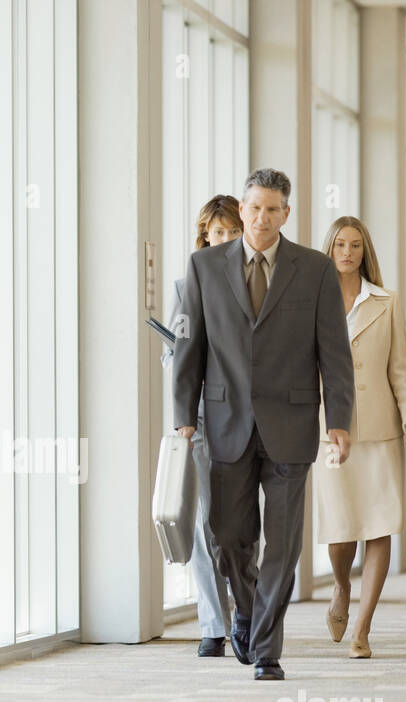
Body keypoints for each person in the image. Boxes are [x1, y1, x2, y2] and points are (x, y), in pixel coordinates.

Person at [172, 168, 354, 680]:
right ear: (243, 209)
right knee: (229, 537)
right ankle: (248, 614)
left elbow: (334, 353)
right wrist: (183, 417)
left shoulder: (314, 269)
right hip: (224, 422)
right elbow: (190, 348)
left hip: (291, 425)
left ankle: (268, 647)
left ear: (286, 214)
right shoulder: (204, 267)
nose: (261, 218)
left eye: (273, 209)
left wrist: (338, 419)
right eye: (254, 208)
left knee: (284, 541)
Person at [314, 217, 406, 659]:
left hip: (380, 429)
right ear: (330, 249)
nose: (347, 251)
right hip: (331, 431)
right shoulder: (312, 302)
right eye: (340, 244)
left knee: (380, 526)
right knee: (341, 531)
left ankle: (363, 628)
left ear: (365, 252)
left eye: (355, 245)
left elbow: (400, 365)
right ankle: (341, 586)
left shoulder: (386, 301)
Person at [163, 196, 241, 657]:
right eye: (218, 232)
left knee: (238, 525)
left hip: (244, 420)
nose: (226, 239)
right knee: (203, 524)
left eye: (233, 231)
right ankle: (214, 625)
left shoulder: (256, 287)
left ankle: (245, 611)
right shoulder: (184, 287)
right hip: (198, 423)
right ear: (205, 238)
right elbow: (171, 357)